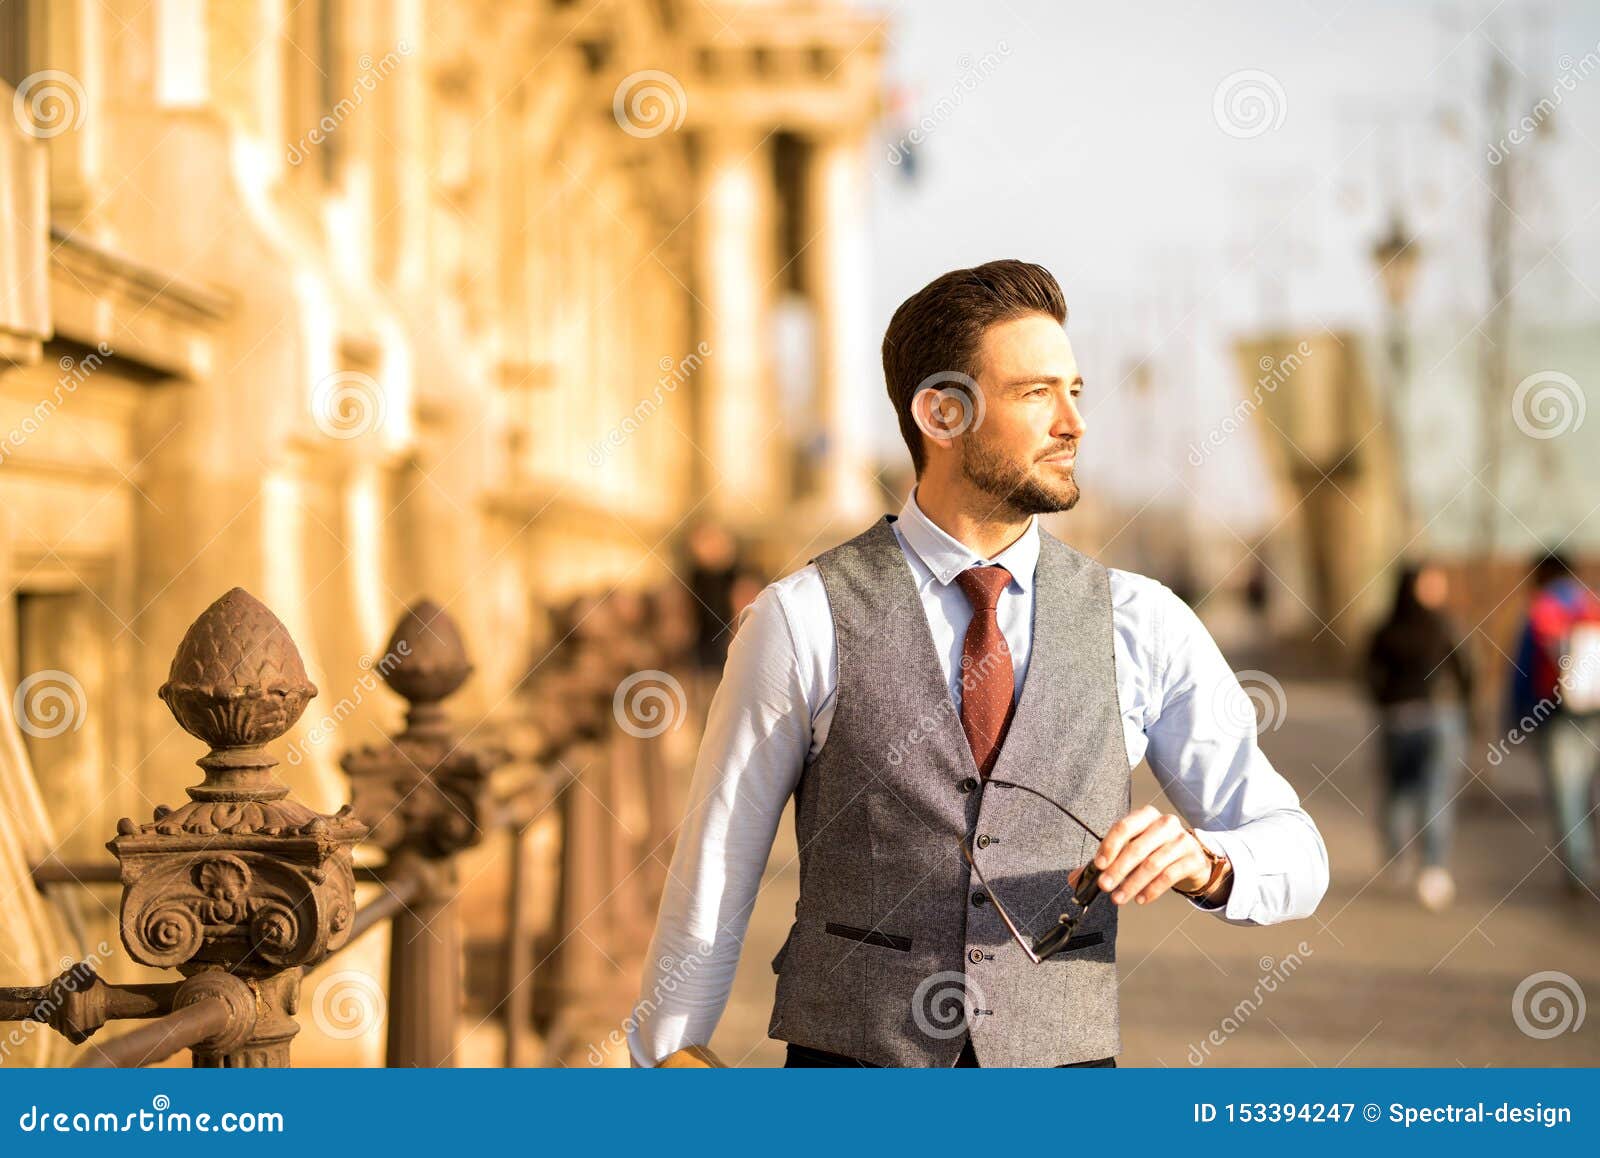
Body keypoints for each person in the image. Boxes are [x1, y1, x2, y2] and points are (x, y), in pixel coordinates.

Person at [630, 260, 1329, 1069]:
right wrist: (667, 1062)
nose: (1073, 422)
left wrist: (1211, 864)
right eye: (1037, 393)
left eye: (1076, 390)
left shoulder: (1143, 623)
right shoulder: (802, 616)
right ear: (941, 412)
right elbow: (714, 872)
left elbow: (1298, 852)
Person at [1359, 562, 1474, 911]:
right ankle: (1433, 869)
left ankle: (1399, 861)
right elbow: (1466, 672)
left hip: (1397, 718)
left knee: (1399, 792)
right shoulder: (1443, 626)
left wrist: (1386, 701)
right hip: (1439, 719)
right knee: (1434, 794)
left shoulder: (1384, 630)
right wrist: (1467, 710)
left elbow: (1367, 675)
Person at [1507, 550, 1600, 897]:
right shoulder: (1592, 603)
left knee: (1567, 795)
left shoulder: (1541, 610)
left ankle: (1579, 870)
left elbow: (1523, 670)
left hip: (1556, 713)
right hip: (1596, 709)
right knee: (1591, 791)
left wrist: (1518, 719)